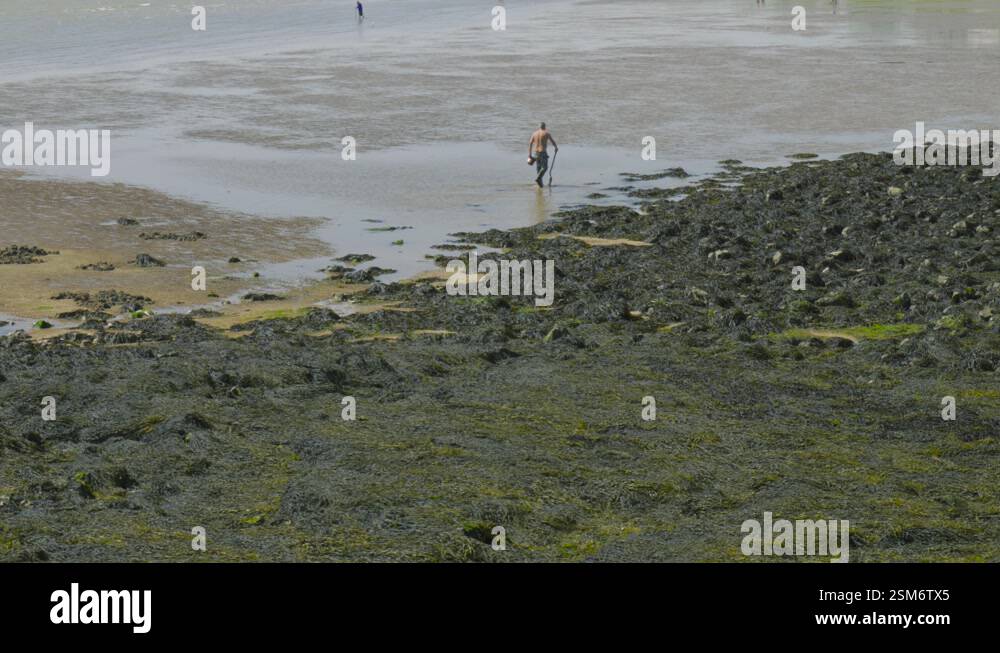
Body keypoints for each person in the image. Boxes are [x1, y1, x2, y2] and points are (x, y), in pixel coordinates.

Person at [528, 122, 558, 188]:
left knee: (538, 169)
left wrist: (529, 154)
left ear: (539, 127)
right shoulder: (546, 133)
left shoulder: (534, 133)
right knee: (545, 167)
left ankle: (540, 185)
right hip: (543, 153)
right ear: (545, 127)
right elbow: (552, 141)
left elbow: (530, 143)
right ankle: (538, 178)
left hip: (535, 153)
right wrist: (556, 147)